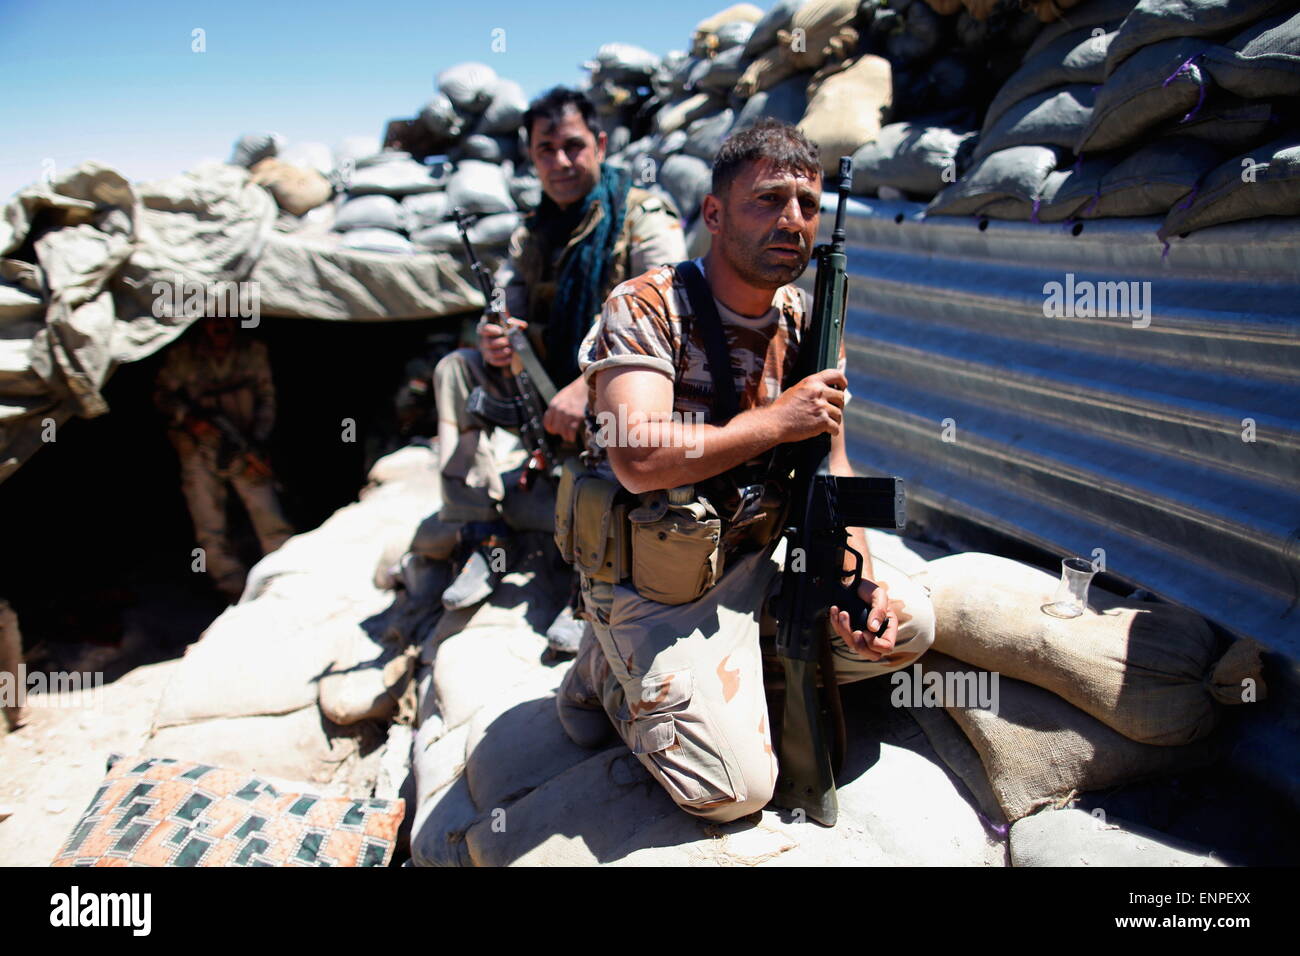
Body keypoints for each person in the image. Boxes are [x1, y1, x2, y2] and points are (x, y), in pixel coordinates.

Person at [555, 119, 936, 823]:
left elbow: (832, 465)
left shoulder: (808, 320)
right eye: (768, 200)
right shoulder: (646, 305)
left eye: (807, 204)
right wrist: (777, 421)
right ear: (714, 213)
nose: (793, 219)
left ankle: (731, 670)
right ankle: (606, 671)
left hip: (758, 561)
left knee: (908, 627)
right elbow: (636, 456)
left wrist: (856, 577)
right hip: (660, 582)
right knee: (735, 791)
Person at [421, 86, 687, 652]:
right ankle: (482, 532)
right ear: (531, 156)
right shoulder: (534, 230)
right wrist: (496, 335)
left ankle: (595, 577)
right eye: (546, 150)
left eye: (573, 146)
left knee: (622, 413)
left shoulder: (641, 217)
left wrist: (588, 383)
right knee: (457, 370)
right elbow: (508, 300)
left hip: (621, 383)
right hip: (542, 385)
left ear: (600, 144)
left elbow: (668, 311)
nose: (561, 162)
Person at [154, 316, 293, 602]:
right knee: (209, 521)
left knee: (269, 514)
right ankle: (230, 586)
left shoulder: (251, 352)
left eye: (226, 319)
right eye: (213, 320)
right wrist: (188, 419)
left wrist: (257, 442)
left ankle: (283, 576)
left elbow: (266, 398)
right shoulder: (183, 356)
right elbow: (162, 396)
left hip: (242, 443)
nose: (220, 326)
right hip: (197, 449)